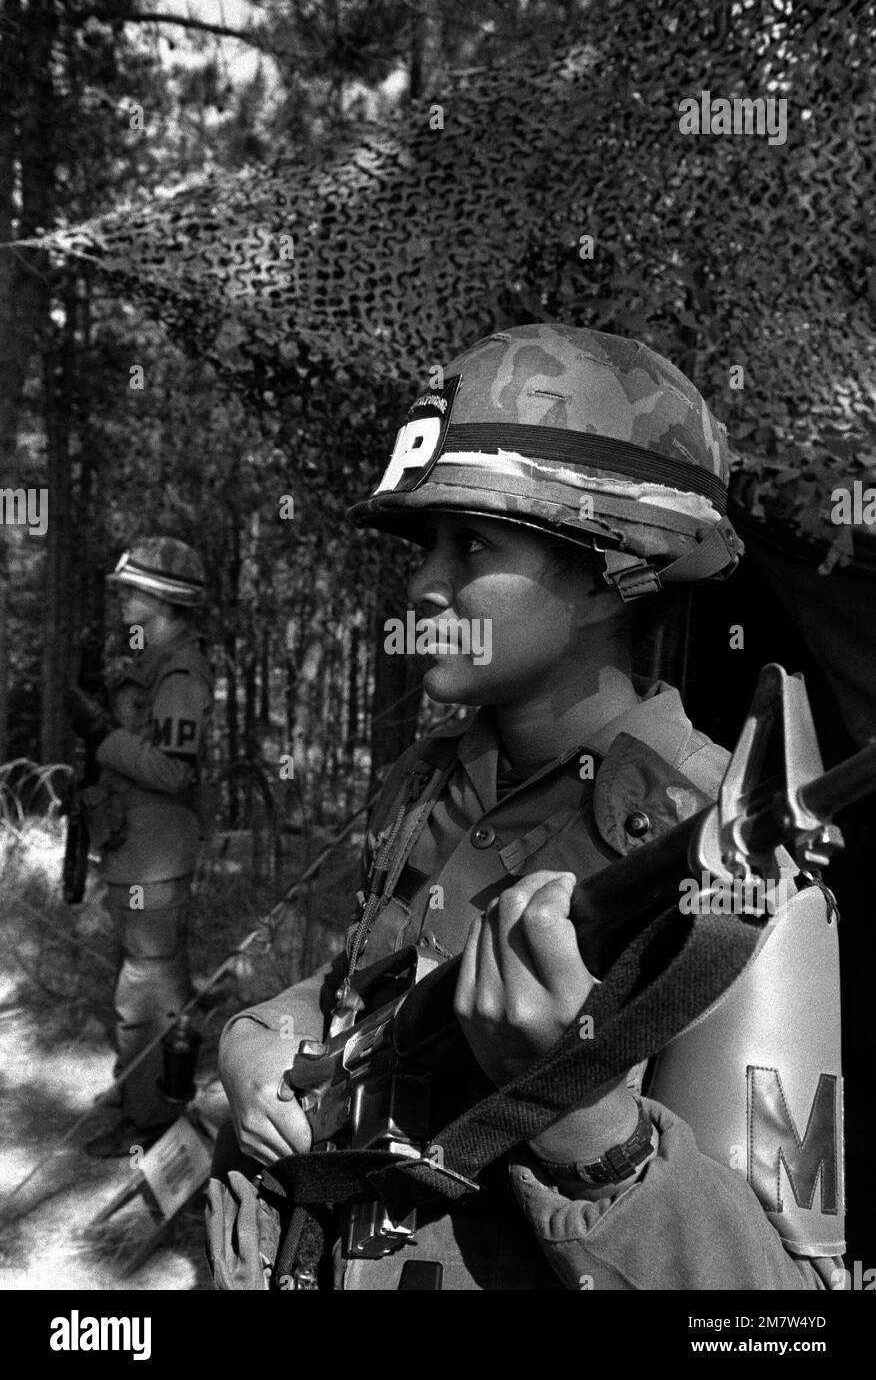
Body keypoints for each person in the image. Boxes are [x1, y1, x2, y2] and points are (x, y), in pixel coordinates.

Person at [209, 325, 840, 1289]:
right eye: (427, 542)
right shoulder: (430, 780)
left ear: (607, 572)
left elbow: (777, 1315)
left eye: (473, 543)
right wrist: (258, 1035)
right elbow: (358, 984)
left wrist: (589, 1125)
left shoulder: (731, 853)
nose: (425, 582)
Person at [67, 536, 214, 1158]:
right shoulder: (149, 657)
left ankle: (150, 1121)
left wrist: (101, 735)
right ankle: (143, 1091)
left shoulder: (181, 671)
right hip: (134, 849)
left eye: (132, 590)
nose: (122, 599)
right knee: (148, 980)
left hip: (157, 854)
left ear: (165, 599)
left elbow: (175, 771)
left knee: (146, 989)